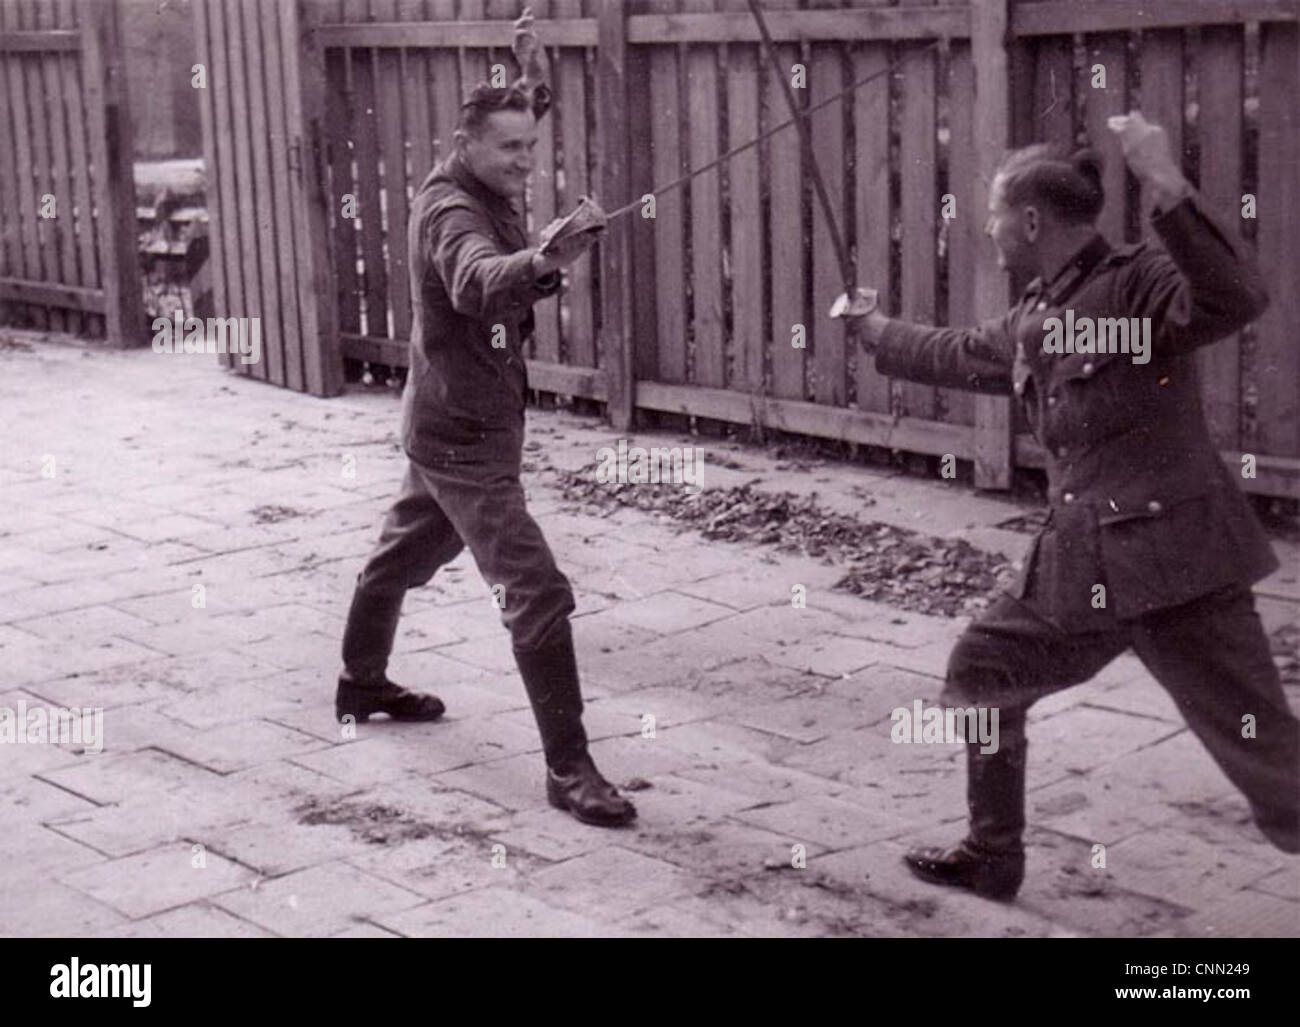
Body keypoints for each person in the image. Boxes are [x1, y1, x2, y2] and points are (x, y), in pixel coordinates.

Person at [839, 111, 1298, 900]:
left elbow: (1235, 296)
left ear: (1029, 219)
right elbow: (965, 352)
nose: (985, 229)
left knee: (1268, 761)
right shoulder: (1037, 310)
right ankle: (992, 853)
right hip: (1080, 571)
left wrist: (1168, 186)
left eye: (991, 214)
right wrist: (876, 329)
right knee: (984, 668)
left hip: (1177, 571)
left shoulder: (1141, 282)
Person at [334, 10, 636, 828]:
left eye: (532, 149)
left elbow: (526, 107)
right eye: (510, 150)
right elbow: (473, 280)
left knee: (400, 556)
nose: (525, 161)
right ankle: (569, 771)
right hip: (463, 437)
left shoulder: (490, 167)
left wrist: (531, 65)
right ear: (464, 145)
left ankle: (360, 684)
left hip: (448, 422)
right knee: (537, 590)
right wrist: (544, 261)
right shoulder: (448, 212)